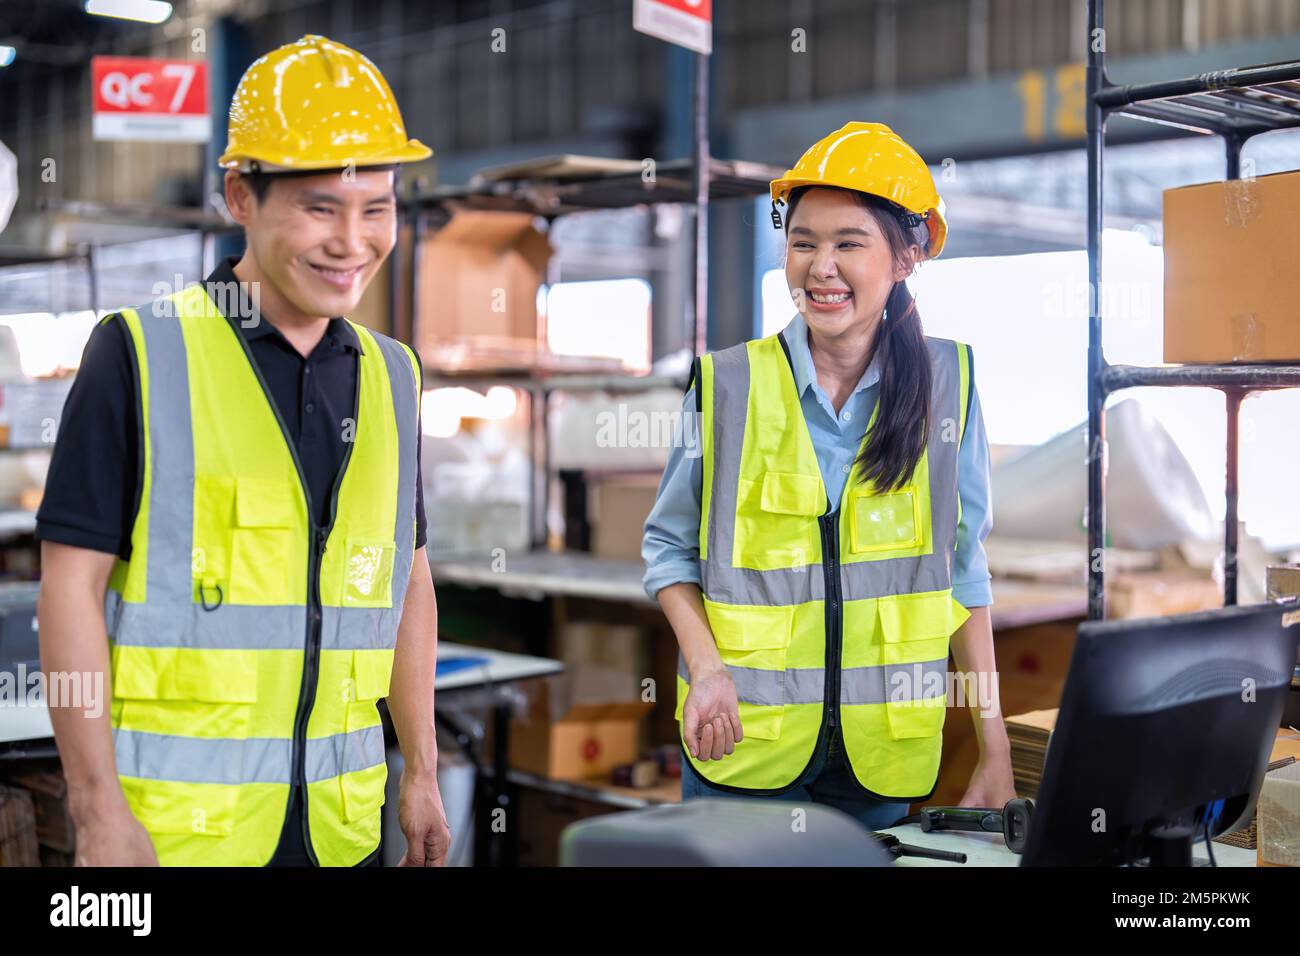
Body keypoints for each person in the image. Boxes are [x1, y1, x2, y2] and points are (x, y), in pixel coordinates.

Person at [37, 35, 451, 867]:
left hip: (341, 832)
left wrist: (423, 772)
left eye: (377, 208)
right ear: (240, 196)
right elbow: (67, 592)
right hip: (180, 837)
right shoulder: (138, 355)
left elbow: (407, 580)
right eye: (320, 209)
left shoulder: (394, 377)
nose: (353, 242)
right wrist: (94, 811)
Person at [643, 121, 1014, 830]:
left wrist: (994, 745)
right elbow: (668, 549)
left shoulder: (948, 385)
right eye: (803, 242)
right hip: (744, 747)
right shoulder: (726, 385)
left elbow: (964, 575)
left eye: (849, 244)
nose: (820, 267)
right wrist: (707, 670)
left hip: (880, 760)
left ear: (905, 257)